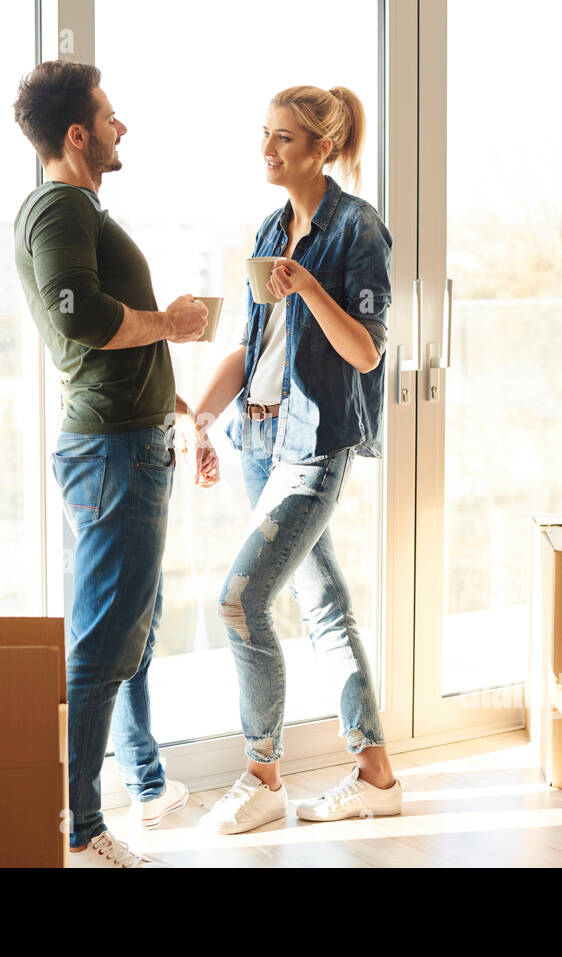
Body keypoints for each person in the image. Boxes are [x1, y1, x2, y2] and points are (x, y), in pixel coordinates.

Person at [189, 85, 401, 834]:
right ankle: (376, 775)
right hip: (260, 443)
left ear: (321, 148)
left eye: (283, 138)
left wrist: (308, 285)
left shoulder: (357, 228)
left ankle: (262, 775)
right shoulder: (271, 226)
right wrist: (202, 419)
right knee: (324, 605)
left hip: (315, 447)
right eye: (266, 134)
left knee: (240, 602)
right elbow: (252, 347)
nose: (267, 150)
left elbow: (366, 352)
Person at [12, 60, 207, 867]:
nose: (122, 126)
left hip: (132, 438)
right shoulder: (60, 207)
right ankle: (82, 829)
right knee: (102, 642)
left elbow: (100, 339)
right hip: (114, 450)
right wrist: (172, 324)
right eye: (109, 116)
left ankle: (145, 784)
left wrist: (174, 401)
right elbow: (81, 317)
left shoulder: (78, 208)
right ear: (78, 134)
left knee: (133, 627)